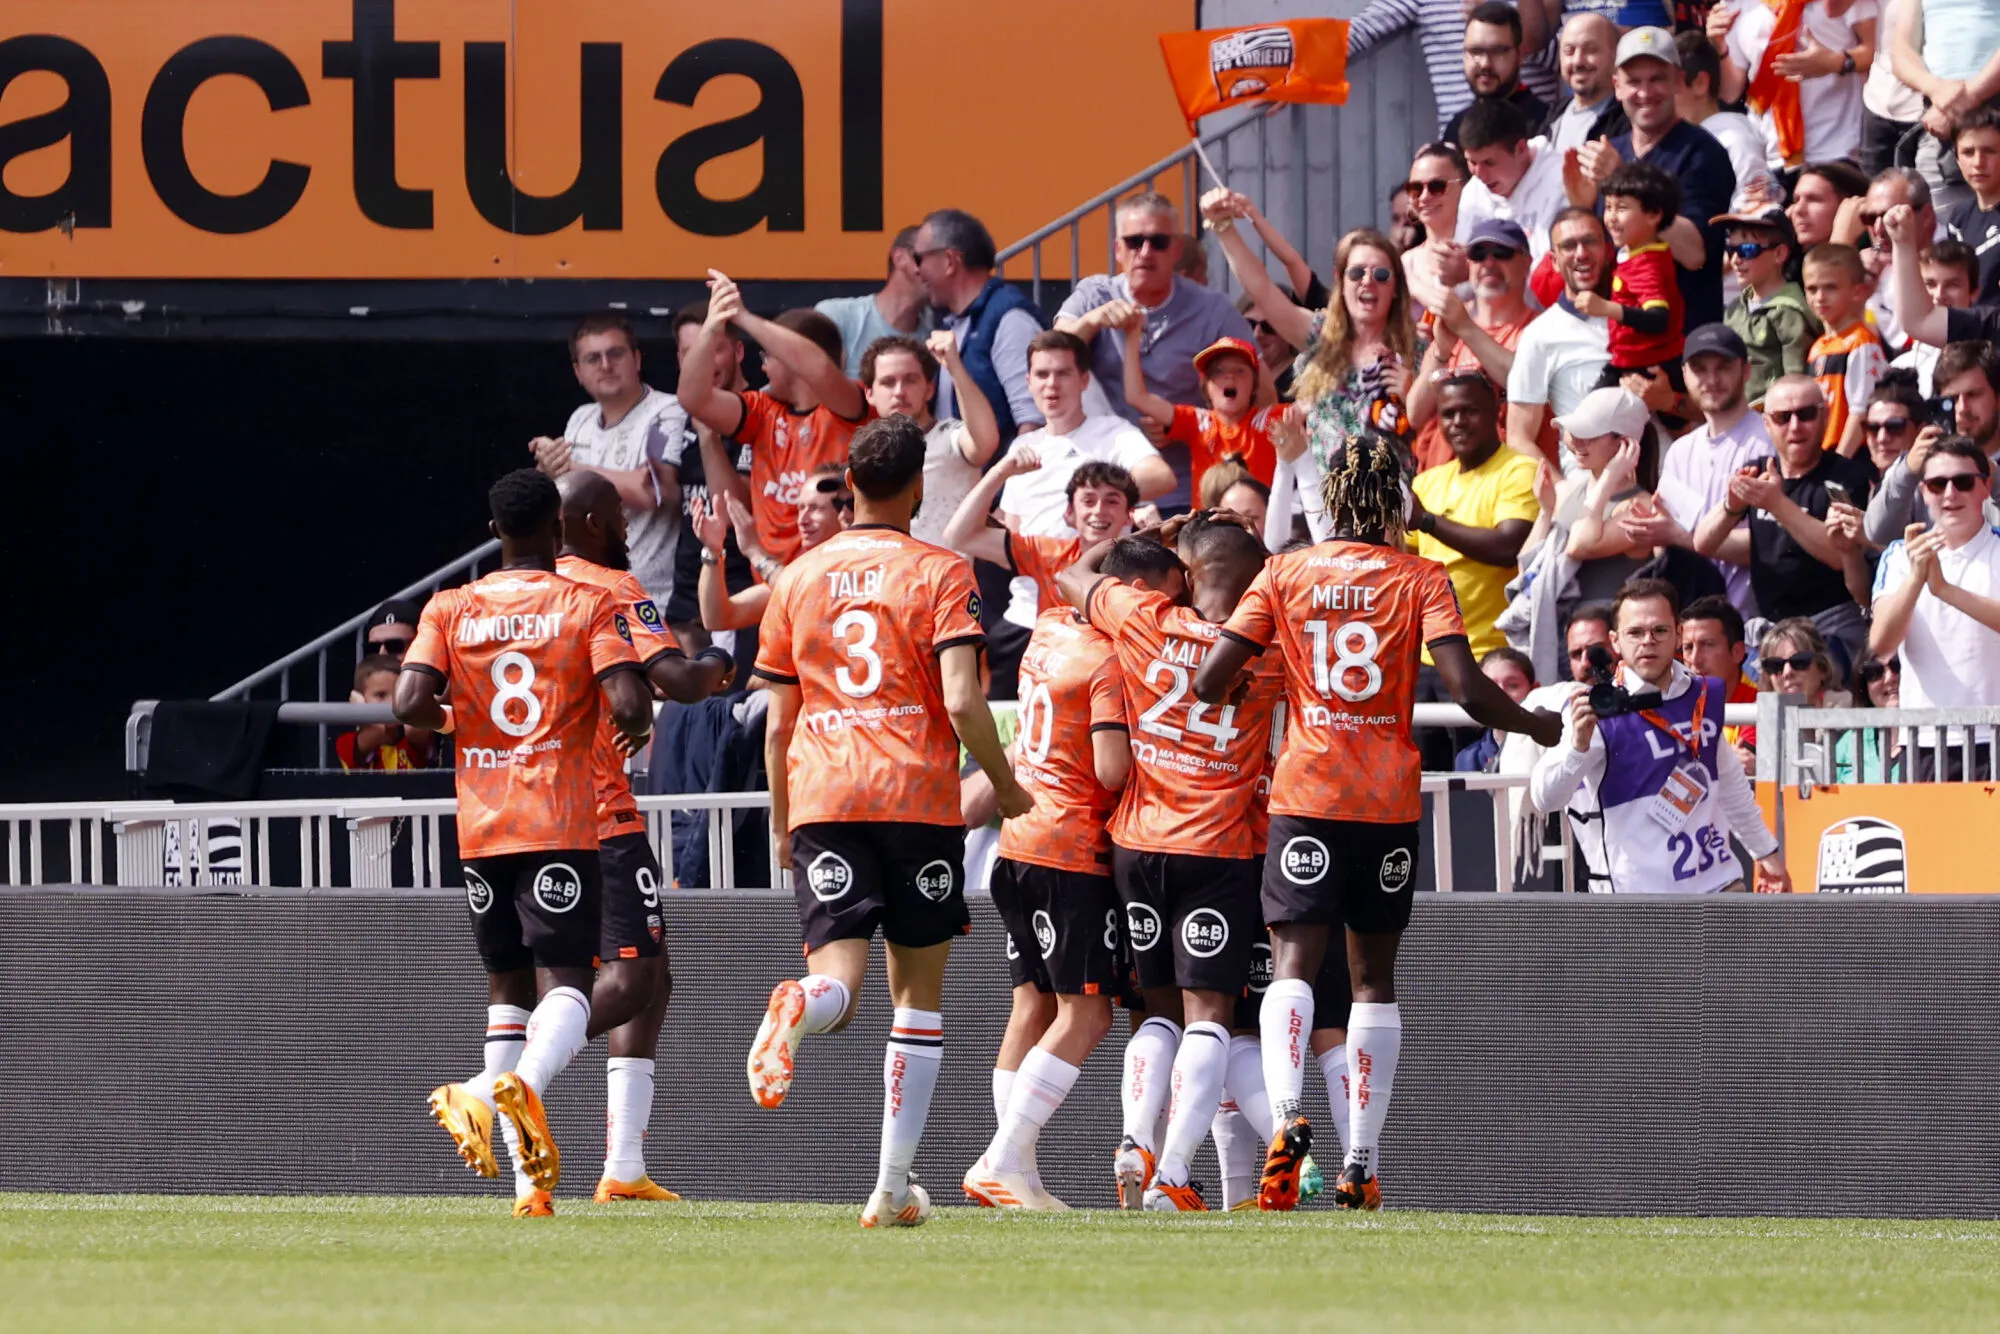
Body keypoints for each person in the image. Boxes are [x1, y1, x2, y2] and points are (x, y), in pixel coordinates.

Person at [1190, 427, 1562, 1212]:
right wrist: (1536, 724)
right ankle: (1361, 1159)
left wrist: (1254, 679)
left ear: (1331, 499)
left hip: (1307, 794)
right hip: (1386, 799)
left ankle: (1286, 1118)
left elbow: (1209, 680)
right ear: (1397, 501)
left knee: (1292, 963)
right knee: (1372, 980)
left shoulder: (1285, 572)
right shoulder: (1422, 576)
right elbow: (1467, 689)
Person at [745, 415, 1033, 1229]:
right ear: (916, 489)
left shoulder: (798, 576)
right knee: (918, 1002)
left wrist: (781, 823)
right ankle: (891, 1185)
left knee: (839, 983)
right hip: (915, 798)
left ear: (849, 487)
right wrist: (1004, 785)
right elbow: (963, 701)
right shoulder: (941, 571)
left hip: (825, 797)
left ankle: (802, 1001)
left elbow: (778, 723)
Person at [397, 469, 654, 1216]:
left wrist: (458, 721)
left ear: (494, 532)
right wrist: (631, 725)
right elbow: (629, 704)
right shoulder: (586, 602)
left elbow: (408, 701)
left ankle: (527, 1188)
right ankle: (494, 1091)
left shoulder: (450, 606)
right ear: (558, 530)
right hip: (558, 818)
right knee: (568, 982)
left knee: (507, 989)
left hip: (481, 825)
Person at [1045, 517, 1284, 1213]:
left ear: (1188, 573)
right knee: (1211, 1015)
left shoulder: (1142, 617)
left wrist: (1142, 532)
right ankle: (1173, 1172)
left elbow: (1070, 575)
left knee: (1157, 1010)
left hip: (1138, 846)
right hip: (1216, 849)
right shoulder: (1272, 651)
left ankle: (1133, 1140)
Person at [962, 545, 1167, 1211]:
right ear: (1128, 589)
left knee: (1032, 1006)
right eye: (1157, 598)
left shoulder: (1049, 627)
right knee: (1088, 1013)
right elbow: (1110, 769)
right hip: (1070, 848)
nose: (1158, 614)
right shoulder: (1109, 659)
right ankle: (1002, 1160)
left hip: (1017, 840)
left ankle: (1017, 1171)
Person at [548, 470, 731, 1208]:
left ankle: (623, 1166)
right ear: (591, 521)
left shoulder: (522, 593)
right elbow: (677, 681)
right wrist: (718, 661)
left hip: (529, 814)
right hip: (601, 814)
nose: (630, 527)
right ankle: (505, 1082)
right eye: (620, 516)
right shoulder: (611, 589)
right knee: (631, 979)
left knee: (644, 978)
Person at [1531, 578, 1791, 892]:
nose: (1648, 641)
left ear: (1678, 634)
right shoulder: (1595, 709)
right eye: (1635, 632)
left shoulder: (1703, 693)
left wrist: (1767, 855)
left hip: (1719, 886)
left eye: (1660, 630)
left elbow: (1731, 785)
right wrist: (1577, 747)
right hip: (1639, 902)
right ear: (1615, 641)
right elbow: (1545, 799)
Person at [1056, 192, 1254, 507]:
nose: (1145, 252)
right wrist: (1092, 321)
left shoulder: (1212, 310)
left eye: (1158, 242)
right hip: (1105, 493)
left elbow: (1258, 393)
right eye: (1134, 242)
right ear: (1118, 249)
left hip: (1189, 489)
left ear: (1176, 250)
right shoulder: (1095, 295)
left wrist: (1186, 425)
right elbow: (1052, 356)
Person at [1208, 203, 1424, 467]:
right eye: (1356, 273)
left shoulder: (1417, 351)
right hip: (1324, 490)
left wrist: (1413, 396)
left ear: (1397, 288)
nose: (1367, 281)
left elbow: (1439, 435)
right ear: (1341, 282)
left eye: (1381, 274)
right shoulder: (1320, 336)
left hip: (1393, 491)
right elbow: (1261, 290)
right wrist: (1224, 228)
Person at [679, 272, 870, 562]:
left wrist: (743, 317)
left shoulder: (848, 407)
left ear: (791, 358)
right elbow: (692, 398)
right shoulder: (762, 410)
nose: (763, 368)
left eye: (767, 356)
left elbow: (818, 368)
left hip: (831, 576)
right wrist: (712, 326)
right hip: (770, 581)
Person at [1694, 375, 1874, 671]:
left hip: (1827, 629)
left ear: (1825, 416)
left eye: (1806, 414)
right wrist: (1731, 507)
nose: (1795, 426)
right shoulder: (1757, 471)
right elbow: (1704, 542)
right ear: (1766, 423)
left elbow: (1840, 555)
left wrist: (1777, 504)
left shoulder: (1846, 477)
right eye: (1782, 417)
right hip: (1766, 633)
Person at [1572, 27, 1739, 333]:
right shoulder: (1609, 150)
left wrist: (1622, 179)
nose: (1645, 93)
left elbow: (1695, 253)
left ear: (1678, 81)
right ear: (1617, 86)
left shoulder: (1702, 152)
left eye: (1657, 79)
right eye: (1634, 81)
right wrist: (1579, 205)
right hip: (1618, 337)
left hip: (1684, 339)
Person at [1412, 375, 1543, 766]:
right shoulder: (1427, 482)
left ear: (1496, 412)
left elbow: (1507, 546)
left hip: (1487, 662)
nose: (1458, 422)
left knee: (1483, 781)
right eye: (1448, 413)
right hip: (1424, 659)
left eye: (1469, 411)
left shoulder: (1519, 470)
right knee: (1425, 782)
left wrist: (1428, 521)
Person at [528, 313, 685, 609]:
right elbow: (562, 500)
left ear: (637, 359)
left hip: (649, 598)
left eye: (615, 354)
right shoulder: (580, 418)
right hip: (585, 597)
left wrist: (570, 468)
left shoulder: (667, 411)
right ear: (577, 372)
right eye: (593, 358)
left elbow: (652, 491)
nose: (605, 365)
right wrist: (546, 469)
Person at [1869, 434, 2000, 779]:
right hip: (1925, 741)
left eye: (1963, 482)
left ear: (1986, 487)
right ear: (1924, 492)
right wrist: (1916, 578)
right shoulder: (1900, 555)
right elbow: (1881, 644)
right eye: (1938, 484)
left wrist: (1944, 590)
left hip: (1995, 734)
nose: (1950, 494)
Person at [1645, 323, 1776, 615]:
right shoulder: (1680, 452)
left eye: (1723, 367)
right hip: (1692, 621)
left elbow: (1771, 544)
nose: (1712, 380)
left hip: (1754, 622)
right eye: (1700, 369)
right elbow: (1664, 542)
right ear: (1684, 375)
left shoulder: (1767, 442)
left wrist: (1679, 537)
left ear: (1746, 371)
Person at [1410, 219, 1545, 469]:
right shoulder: (1451, 323)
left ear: (1527, 263)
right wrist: (1441, 353)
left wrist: (1465, 327)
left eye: (1502, 253)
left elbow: (1522, 382)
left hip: (1507, 481)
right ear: (1469, 265)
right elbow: (1415, 414)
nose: (1489, 264)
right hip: (1442, 481)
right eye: (1478, 254)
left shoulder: (1542, 328)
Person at [662, 300, 756, 654]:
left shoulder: (759, 412)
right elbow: (667, 493)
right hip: (685, 593)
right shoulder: (677, 415)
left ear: (738, 352)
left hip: (737, 589)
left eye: (714, 350)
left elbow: (733, 510)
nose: (703, 362)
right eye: (690, 353)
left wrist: (707, 436)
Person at [945, 456, 1141, 623]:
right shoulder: (1049, 553)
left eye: (1111, 501)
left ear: (1129, 514)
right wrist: (999, 473)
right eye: (1088, 501)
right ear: (1069, 512)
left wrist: (1157, 530)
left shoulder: (1142, 566)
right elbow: (960, 537)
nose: (1098, 511)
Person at [914, 208, 1047, 439]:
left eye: (919, 259)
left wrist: (1009, 464)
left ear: (949, 261)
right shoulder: (953, 324)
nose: (917, 271)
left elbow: (1033, 421)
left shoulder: (1010, 319)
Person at [858, 332, 1000, 545]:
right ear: (869, 394)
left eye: (910, 380)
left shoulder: (950, 438)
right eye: (888, 382)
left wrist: (954, 367)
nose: (899, 392)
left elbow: (985, 442)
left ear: (930, 389)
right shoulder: (864, 456)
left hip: (950, 565)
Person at [1346, 0, 1562, 134]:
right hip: (1462, 145)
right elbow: (1360, 31)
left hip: (1535, 137)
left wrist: (1505, 30)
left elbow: (1568, 62)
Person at [1713, 0, 1878, 169]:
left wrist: (1836, 62)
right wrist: (1719, 46)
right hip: (1772, 152)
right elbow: (1730, 92)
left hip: (1837, 146)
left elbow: (1877, 51)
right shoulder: (1736, 5)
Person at [1865, 339, 2000, 541]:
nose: (1962, 408)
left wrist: (1994, 478)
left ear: (1997, 397)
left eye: (1973, 395)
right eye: (1952, 399)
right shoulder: (1919, 463)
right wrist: (1907, 472)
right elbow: (1877, 533)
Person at [1508, 209, 1615, 463]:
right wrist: (1562, 485)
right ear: (1554, 261)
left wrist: (1667, 401)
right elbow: (1518, 437)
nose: (1581, 253)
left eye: (1590, 241)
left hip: (1658, 475)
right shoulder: (1541, 334)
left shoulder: (1641, 314)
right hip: (1588, 480)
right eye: (1568, 246)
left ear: (1608, 250)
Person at [692, 468, 852, 633]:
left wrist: (755, 551)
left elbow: (803, 593)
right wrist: (713, 551)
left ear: (846, 511)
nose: (802, 520)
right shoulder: (800, 571)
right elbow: (717, 618)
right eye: (800, 508)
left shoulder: (855, 564)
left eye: (815, 508)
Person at [1123, 333, 1283, 495]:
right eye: (1218, 371)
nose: (1230, 376)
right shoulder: (1197, 421)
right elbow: (1137, 397)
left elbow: (1300, 408)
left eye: (1240, 371)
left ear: (1254, 385)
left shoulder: (1271, 419)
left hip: (1257, 512)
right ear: (1205, 386)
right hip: (1207, 512)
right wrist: (1132, 335)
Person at [1581, 161, 1688, 385]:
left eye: (1621, 208)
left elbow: (1658, 318)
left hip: (1645, 367)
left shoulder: (1647, 264)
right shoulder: (1638, 254)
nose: (1611, 217)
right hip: (1629, 359)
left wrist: (1605, 308)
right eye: (1608, 207)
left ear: (1653, 215)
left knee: (1595, 407)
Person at [1888, 0, 2000, 210]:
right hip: (1938, 120)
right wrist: (1935, 89)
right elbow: (1901, 53)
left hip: (1983, 110)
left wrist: (1965, 99)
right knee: (1942, 225)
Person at [1554, 387, 1660, 602]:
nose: (1577, 440)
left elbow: (1579, 546)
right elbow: (1530, 562)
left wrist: (1610, 476)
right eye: (1574, 431)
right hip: (1558, 620)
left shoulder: (1642, 507)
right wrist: (1545, 513)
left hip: (1607, 620)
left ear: (1624, 444)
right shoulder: (1566, 490)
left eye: (1589, 435)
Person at [1674, 31, 1781, 224]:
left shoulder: (1734, 138)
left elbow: (1755, 213)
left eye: (1670, 84)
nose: (1657, 94)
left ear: (1700, 83)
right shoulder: (1674, 140)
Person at [1717, 207, 1821, 403]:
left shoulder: (1789, 313)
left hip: (1772, 414)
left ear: (1779, 254)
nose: (1735, 260)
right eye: (1731, 250)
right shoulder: (1735, 309)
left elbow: (1795, 383)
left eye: (1747, 250)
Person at [1455, 100, 1570, 266]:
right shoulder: (1473, 191)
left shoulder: (1561, 182)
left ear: (1521, 149)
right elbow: (1465, 261)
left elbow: (1556, 266)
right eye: (1472, 162)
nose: (1479, 174)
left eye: (1489, 162)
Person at [814, 227, 934, 378]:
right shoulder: (836, 317)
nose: (939, 270)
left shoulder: (934, 338)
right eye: (929, 258)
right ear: (900, 258)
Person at [1804, 244, 1889, 456]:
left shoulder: (1862, 343)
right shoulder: (1817, 347)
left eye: (1830, 288)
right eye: (1812, 289)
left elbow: (1862, 411)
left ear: (1857, 292)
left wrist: (1841, 461)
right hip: (1824, 456)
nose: (1820, 297)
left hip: (1852, 456)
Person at [1442, 3, 1553, 146]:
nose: (1485, 63)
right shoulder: (1456, 127)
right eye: (1475, 51)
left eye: (1498, 51)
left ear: (1520, 55)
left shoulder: (1547, 123)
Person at [1680, 593, 1763, 763]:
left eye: (1708, 645)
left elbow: (1744, 763)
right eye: (1688, 647)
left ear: (1737, 652)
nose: (1695, 659)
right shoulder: (1673, 703)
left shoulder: (1759, 704)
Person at [1890, 240, 1979, 391]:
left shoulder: (1992, 360)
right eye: (1930, 284)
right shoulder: (1899, 370)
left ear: (1974, 292)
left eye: (1952, 285)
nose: (1939, 295)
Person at [1937, 104, 2000, 307]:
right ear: (1956, 159)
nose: (1978, 162)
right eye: (1968, 152)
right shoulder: (1959, 217)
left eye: (1989, 151)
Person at [337, 654, 444, 771]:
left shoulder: (411, 737)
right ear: (360, 698)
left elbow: (414, 730)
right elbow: (377, 733)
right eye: (381, 695)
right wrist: (361, 710)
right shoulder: (346, 742)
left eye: (399, 693)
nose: (391, 702)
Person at [1400, 144, 1475, 308]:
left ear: (1465, 187)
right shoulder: (1405, 264)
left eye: (1437, 186)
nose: (1424, 197)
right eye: (1415, 188)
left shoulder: (1487, 256)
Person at [1547, 13, 1630, 155]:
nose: (1578, 61)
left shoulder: (1628, 121)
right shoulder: (1550, 116)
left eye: (1591, 50)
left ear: (1615, 55)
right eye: (1569, 51)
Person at [1860, 0, 1926, 176]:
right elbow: (1834, 10)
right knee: (1873, 190)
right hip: (1877, 104)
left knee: (1926, 190)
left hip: (1927, 111)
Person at [1456, 647, 1542, 770]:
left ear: (1534, 690)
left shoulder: (1555, 750)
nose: (1500, 694)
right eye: (1490, 686)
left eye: (1512, 685)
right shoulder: (1468, 759)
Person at [1833, 653, 1905, 780]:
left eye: (1897, 665)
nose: (1889, 678)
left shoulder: (1933, 738)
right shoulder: (1848, 744)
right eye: (1874, 671)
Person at [1787, 160, 1872, 251]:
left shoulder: (1874, 256)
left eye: (1813, 199)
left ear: (1851, 205)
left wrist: (1841, 244)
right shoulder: (1788, 255)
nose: (1798, 210)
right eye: (1796, 200)